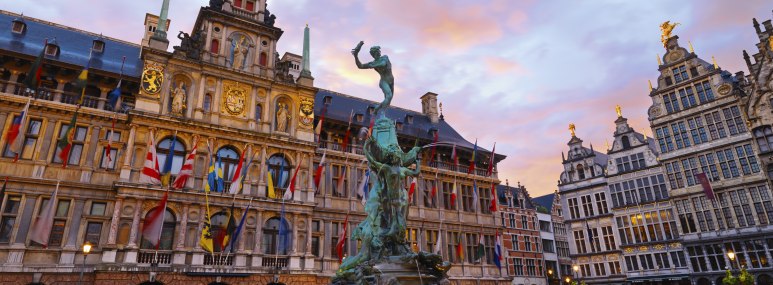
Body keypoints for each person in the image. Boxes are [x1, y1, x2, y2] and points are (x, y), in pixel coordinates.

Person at [352, 41, 393, 115]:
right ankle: (382, 113)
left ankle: (377, 108)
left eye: (378, 52)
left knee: (388, 101)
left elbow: (383, 64)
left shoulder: (385, 57)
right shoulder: (373, 63)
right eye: (376, 53)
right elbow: (360, 66)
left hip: (391, 81)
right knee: (389, 96)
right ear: (373, 55)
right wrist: (356, 56)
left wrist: (373, 66)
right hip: (384, 81)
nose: (378, 53)